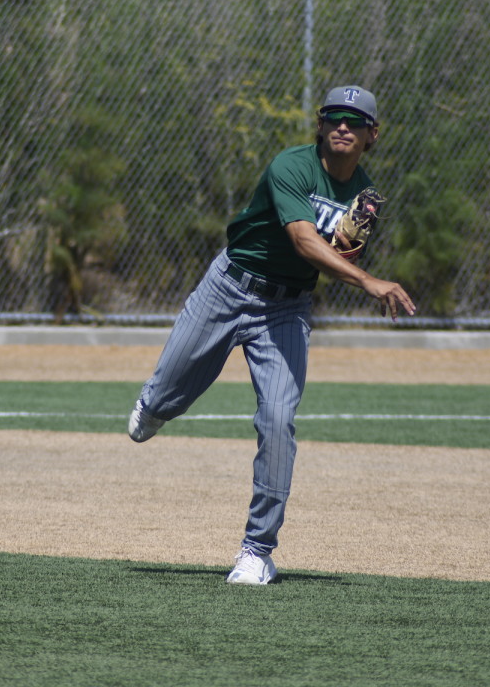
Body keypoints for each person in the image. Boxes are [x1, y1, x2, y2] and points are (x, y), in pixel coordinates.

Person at [127, 85, 416, 584]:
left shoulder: (364, 197)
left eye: (355, 121)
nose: (343, 126)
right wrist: (368, 280)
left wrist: (351, 254)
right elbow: (303, 240)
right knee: (164, 399)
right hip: (228, 287)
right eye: (334, 117)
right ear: (320, 125)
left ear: (372, 135)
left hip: (287, 308)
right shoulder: (291, 166)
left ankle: (257, 551)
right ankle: (155, 405)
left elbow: (334, 255)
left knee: (278, 420)